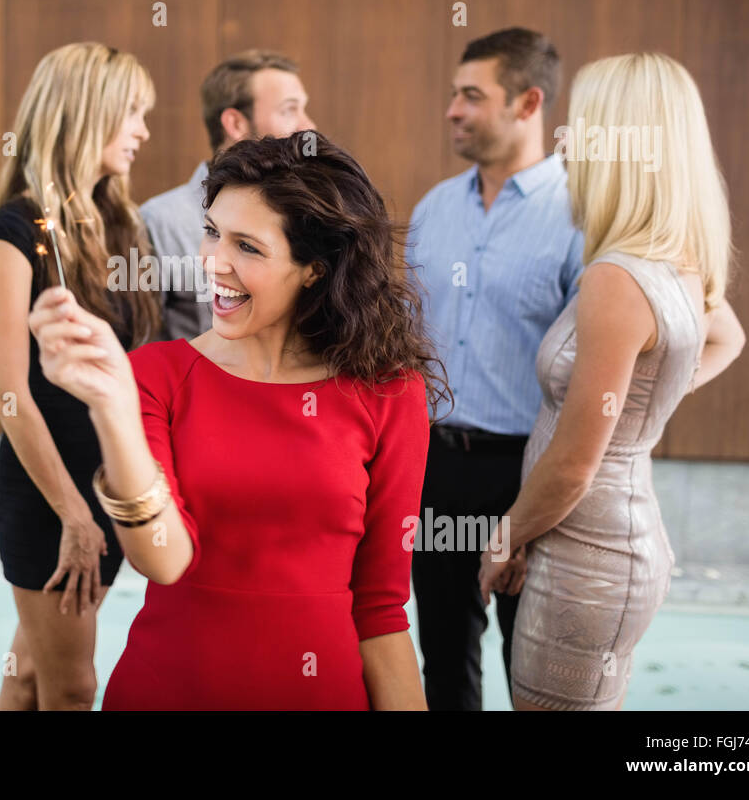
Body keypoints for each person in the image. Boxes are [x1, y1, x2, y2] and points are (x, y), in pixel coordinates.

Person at [29, 131, 447, 709]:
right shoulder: (155, 375)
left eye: (247, 246)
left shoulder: (389, 393)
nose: (213, 262)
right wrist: (111, 407)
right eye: (211, 232)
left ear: (314, 270)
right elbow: (163, 558)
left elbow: (380, 610)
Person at [479, 52, 746, 711]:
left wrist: (504, 539)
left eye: (581, 127)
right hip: (600, 543)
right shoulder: (673, 256)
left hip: (587, 554)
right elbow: (726, 338)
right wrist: (637, 412)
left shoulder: (617, 279)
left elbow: (574, 463)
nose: (564, 142)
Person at [0, 41, 161, 710]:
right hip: (58, 504)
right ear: (88, 113)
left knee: (29, 677)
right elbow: (9, 391)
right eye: (132, 113)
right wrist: (65, 507)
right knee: (72, 687)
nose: (143, 131)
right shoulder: (18, 229)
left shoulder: (117, 223)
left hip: (102, 488)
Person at [405, 27, 583, 710]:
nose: (452, 109)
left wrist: (546, 499)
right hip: (435, 466)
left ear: (528, 102)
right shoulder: (432, 210)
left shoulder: (582, 218)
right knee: (443, 660)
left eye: (471, 96)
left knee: (530, 664)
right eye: (454, 94)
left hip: (531, 472)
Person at [140, 49, 316, 341]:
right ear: (235, 124)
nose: (308, 126)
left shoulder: (308, 216)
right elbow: (140, 350)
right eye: (289, 110)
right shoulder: (160, 221)